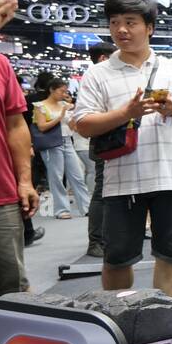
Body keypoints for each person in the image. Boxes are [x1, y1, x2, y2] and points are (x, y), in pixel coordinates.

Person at [72, 0, 172, 302]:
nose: (121, 30)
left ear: (149, 27)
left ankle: (165, 322)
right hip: (121, 181)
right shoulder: (98, 73)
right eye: (114, 23)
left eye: (130, 23)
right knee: (117, 258)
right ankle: (123, 323)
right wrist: (126, 114)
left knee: (171, 255)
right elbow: (83, 123)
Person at [0, 0, 40, 292]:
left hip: (2, 195)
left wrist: (24, 180)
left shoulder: (1, 64)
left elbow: (15, 124)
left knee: (12, 286)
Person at [75, 42, 116, 257]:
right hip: (106, 141)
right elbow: (84, 119)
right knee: (102, 191)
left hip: (117, 139)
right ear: (102, 58)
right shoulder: (95, 76)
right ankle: (96, 241)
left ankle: (108, 237)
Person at [31, 78, 91, 219]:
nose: (64, 94)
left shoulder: (65, 104)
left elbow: (72, 127)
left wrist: (74, 117)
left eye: (66, 91)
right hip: (52, 144)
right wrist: (61, 115)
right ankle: (61, 210)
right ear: (52, 89)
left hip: (67, 142)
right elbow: (41, 127)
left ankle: (86, 207)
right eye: (61, 91)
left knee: (77, 176)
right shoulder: (40, 106)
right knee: (56, 177)